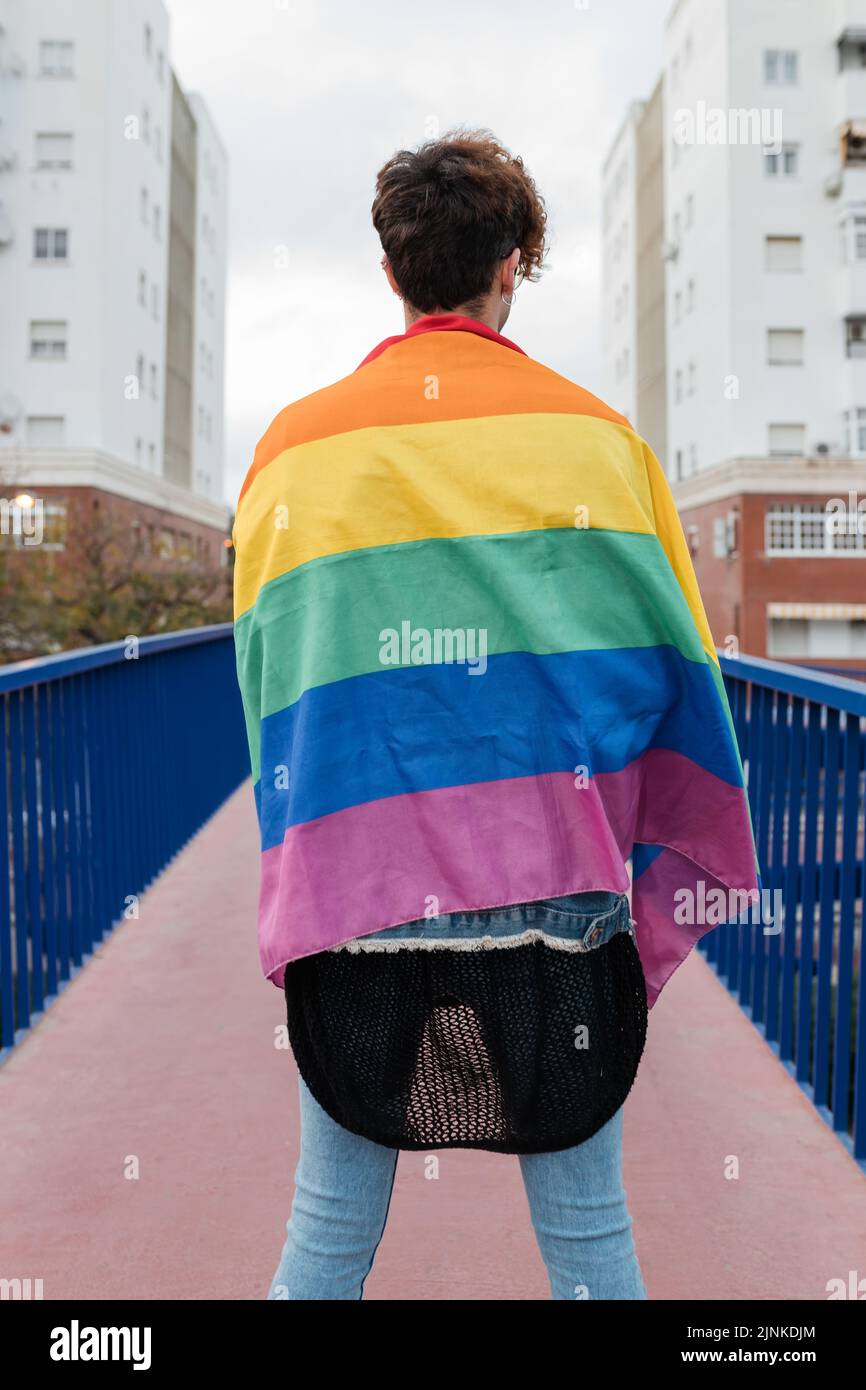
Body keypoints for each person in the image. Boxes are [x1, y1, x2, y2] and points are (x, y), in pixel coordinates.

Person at [232, 129, 759, 1301]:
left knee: (325, 1228)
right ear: (511, 264)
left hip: (356, 889)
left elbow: (273, 672)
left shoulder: (292, 451)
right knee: (586, 1236)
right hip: (553, 887)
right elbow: (659, 665)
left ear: (392, 274)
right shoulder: (598, 442)